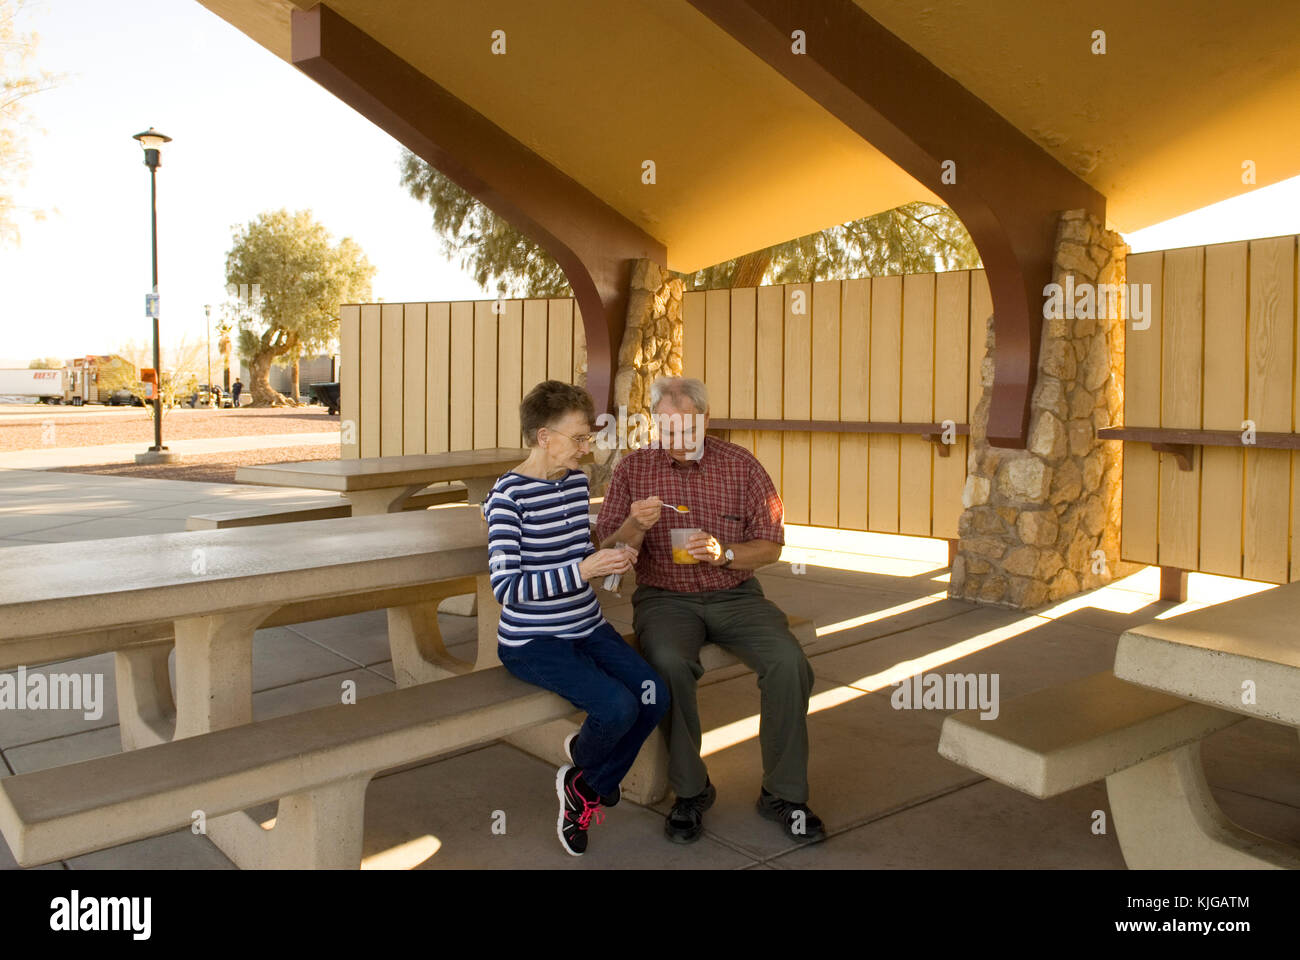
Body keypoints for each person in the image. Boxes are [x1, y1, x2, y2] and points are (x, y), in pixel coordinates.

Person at [595, 376, 824, 845]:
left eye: (686, 428)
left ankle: (783, 793)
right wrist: (635, 525)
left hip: (735, 593)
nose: (676, 440)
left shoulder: (741, 465)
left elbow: (772, 546)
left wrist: (725, 553)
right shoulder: (633, 470)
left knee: (788, 663)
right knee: (668, 665)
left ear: (705, 419)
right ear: (655, 423)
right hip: (665, 597)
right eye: (666, 428)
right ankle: (691, 792)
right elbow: (608, 549)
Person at [482, 379, 670, 857]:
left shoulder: (574, 484)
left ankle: (583, 781)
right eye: (579, 439)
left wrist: (612, 556)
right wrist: (583, 569)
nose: (587, 450)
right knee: (618, 707)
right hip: (533, 642)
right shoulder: (507, 500)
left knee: (654, 695)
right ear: (544, 437)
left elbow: (584, 553)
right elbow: (507, 589)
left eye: (590, 439)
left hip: (586, 625)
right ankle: (589, 774)